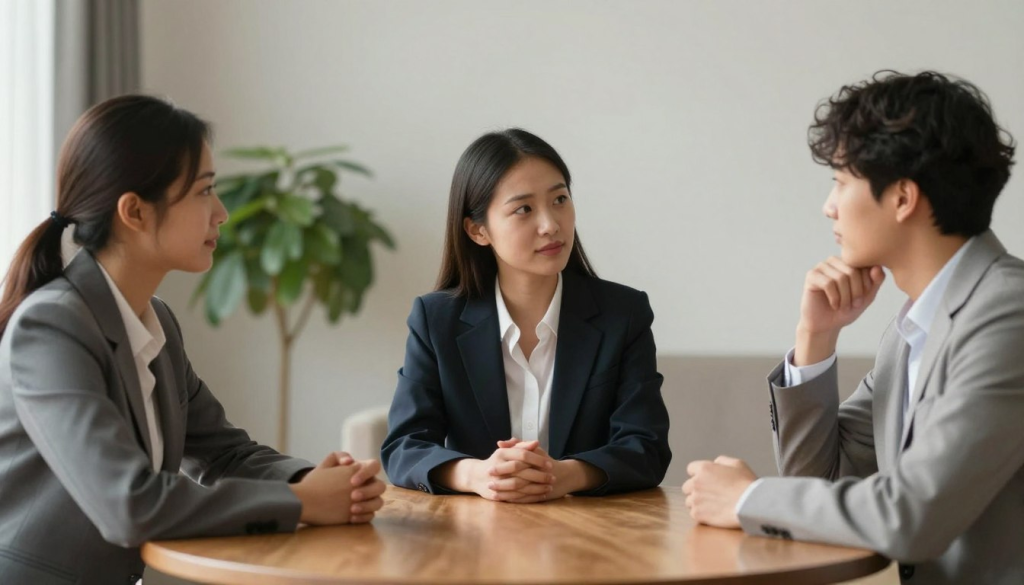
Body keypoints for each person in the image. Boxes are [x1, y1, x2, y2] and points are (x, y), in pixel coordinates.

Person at [0, 95, 386, 585]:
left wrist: (311, 481)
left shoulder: (154, 320)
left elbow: (224, 453)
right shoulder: (51, 329)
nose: (222, 213)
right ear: (135, 212)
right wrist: (302, 503)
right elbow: (128, 505)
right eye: (204, 192)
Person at [683, 71, 1022, 584]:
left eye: (841, 182)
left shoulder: (1008, 315)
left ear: (903, 198)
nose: (829, 206)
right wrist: (815, 339)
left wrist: (746, 499)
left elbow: (911, 518)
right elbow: (818, 480)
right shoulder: (910, 330)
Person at [382, 129, 671, 502]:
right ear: (478, 230)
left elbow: (646, 447)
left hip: (593, 536)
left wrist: (563, 475)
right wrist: (477, 474)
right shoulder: (437, 320)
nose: (551, 224)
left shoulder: (623, 314)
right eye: (524, 209)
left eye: (560, 199)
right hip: (473, 538)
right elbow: (404, 447)